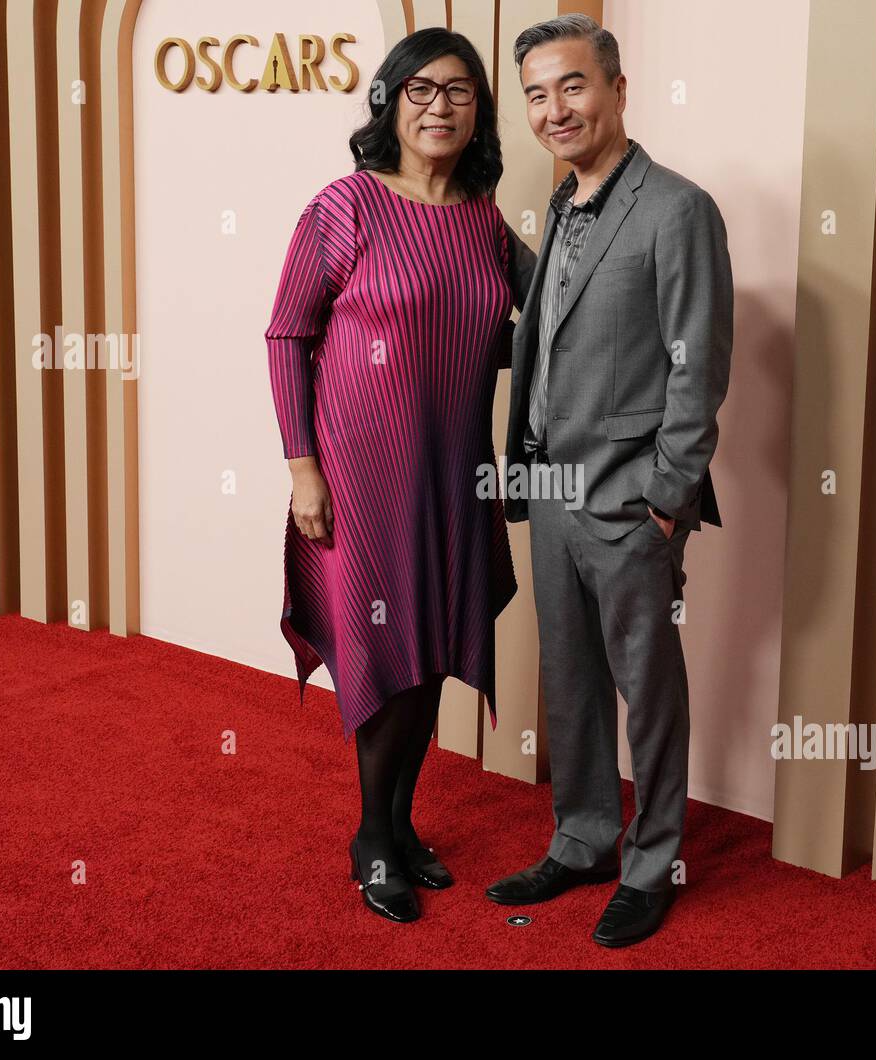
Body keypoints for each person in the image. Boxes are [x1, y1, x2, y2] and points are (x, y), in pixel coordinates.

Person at [264, 28, 537, 924]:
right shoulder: (343, 206)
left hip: (456, 470)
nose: (438, 106)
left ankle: (399, 822)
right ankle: (371, 839)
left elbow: (546, 319)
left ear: (479, 111)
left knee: (431, 655)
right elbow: (287, 337)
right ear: (389, 101)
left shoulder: (486, 219)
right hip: (361, 470)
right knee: (389, 651)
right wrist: (303, 471)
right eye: (418, 89)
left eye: (459, 91)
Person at [484, 14, 733, 947]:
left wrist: (664, 504)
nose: (556, 110)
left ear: (619, 89)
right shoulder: (557, 207)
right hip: (551, 495)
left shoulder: (677, 209)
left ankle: (652, 858)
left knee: (648, 687)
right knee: (572, 681)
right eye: (538, 95)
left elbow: (696, 368)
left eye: (573, 87)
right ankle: (584, 837)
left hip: (631, 504)